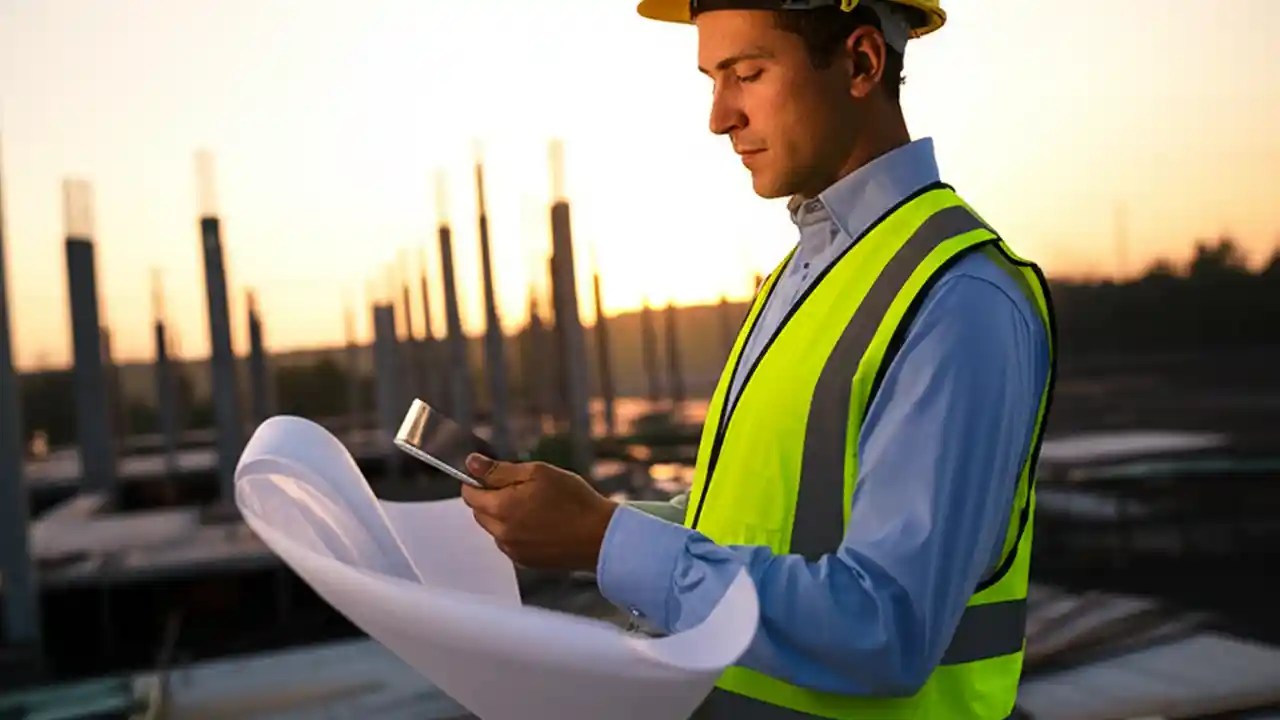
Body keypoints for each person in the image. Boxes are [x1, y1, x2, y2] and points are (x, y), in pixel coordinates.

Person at [460, 0, 1057, 717]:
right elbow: (752, 521)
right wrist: (586, 524)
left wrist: (603, 539)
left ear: (862, 63)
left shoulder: (958, 297)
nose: (720, 117)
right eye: (713, 78)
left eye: (747, 73)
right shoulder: (806, 276)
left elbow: (886, 627)